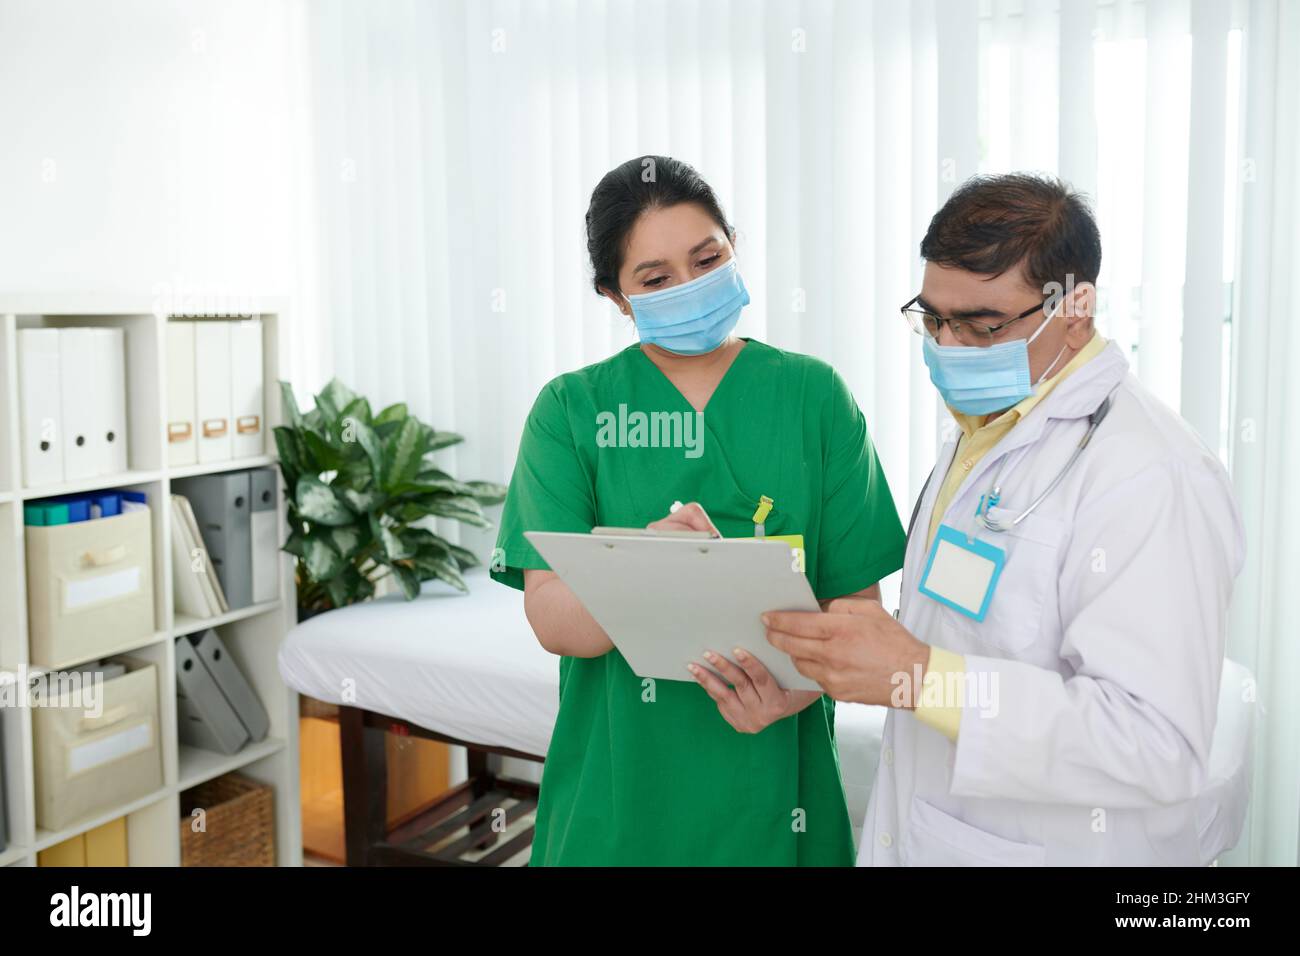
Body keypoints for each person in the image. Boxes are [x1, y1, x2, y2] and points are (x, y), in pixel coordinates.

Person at [762, 173, 1246, 866]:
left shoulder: (1151, 474)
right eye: (933, 319)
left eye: (982, 325)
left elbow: (1155, 746)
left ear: (1076, 309)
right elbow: (963, 632)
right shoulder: (988, 428)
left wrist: (924, 677)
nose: (950, 347)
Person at [490, 155, 906, 865]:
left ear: (733, 246)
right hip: (617, 800)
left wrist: (792, 695)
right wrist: (647, 565)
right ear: (615, 296)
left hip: (779, 794)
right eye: (655, 279)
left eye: (707, 257)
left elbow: (856, 613)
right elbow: (552, 620)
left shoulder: (814, 398)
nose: (690, 287)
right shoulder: (570, 411)